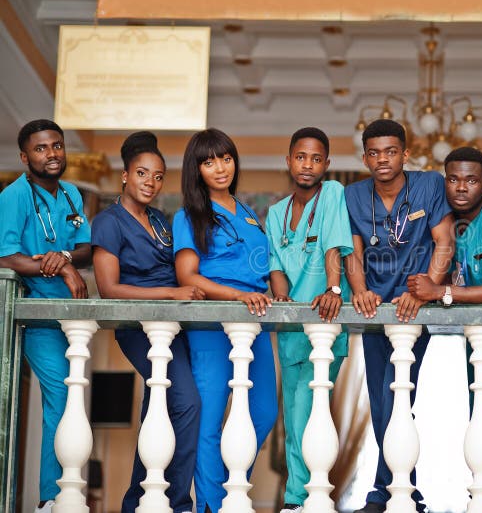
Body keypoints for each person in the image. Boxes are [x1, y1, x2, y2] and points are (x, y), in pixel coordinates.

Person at [406, 146, 482, 510]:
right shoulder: (444, 217)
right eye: (454, 179)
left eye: (471, 180)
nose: (461, 187)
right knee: (479, 405)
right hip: (477, 326)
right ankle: (480, 492)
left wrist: (439, 291)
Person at [344, 119, 454, 513]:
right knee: (380, 402)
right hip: (375, 312)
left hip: (411, 312)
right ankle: (398, 489)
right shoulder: (353, 194)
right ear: (364, 157)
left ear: (405, 154)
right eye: (374, 153)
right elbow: (353, 251)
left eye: (391, 151)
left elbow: (445, 241)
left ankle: (391, 492)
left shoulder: (428, 186)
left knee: (396, 395)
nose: (382, 160)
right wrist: (359, 291)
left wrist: (426, 289)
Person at [91, 131, 204, 513]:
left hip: (175, 325)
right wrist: (171, 295)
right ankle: (177, 501)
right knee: (186, 403)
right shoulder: (109, 221)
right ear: (125, 175)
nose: (150, 183)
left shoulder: (161, 219)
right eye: (142, 173)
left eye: (158, 176)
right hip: (141, 327)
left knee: (158, 408)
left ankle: (137, 501)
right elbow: (109, 289)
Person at [172, 128, 278, 513]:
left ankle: (230, 487)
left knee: (264, 411)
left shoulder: (250, 213)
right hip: (213, 321)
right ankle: (214, 506)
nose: (220, 168)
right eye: (209, 161)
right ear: (196, 169)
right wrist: (236, 295)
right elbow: (188, 277)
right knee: (211, 417)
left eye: (226, 158)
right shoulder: (189, 215)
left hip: (256, 319)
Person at [0, 119, 90, 513]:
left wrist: (67, 258)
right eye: (40, 148)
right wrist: (61, 269)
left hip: (69, 315)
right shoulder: (14, 196)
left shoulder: (71, 194)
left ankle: (52, 495)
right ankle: (50, 499)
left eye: (56, 146)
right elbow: (5, 256)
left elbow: (86, 246)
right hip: (34, 311)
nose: (51, 154)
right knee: (62, 396)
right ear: (25, 157)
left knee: (68, 398)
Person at [266, 127, 353, 513]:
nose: (308, 165)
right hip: (290, 326)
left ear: (327, 165)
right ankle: (297, 496)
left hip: (323, 320)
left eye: (317, 159)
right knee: (292, 416)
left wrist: (333, 289)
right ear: (288, 160)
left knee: (309, 408)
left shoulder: (332, 193)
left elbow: (335, 245)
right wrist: (281, 296)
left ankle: (301, 496)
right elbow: (275, 265)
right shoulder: (274, 213)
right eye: (301, 157)